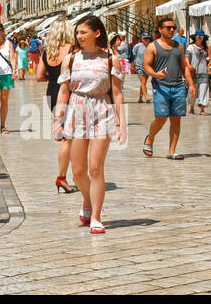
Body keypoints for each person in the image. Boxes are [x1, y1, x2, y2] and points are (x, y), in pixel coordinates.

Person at [53, 15, 126, 233]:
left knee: (95, 167)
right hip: (77, 110)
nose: (79, 36)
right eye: (77, 33)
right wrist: (58, 120)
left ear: (97, 33)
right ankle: (86, 199)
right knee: (77, 171)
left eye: (83, 32)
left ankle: (96, 216)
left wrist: (122, 124)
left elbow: (117, 93)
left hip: (101, 111)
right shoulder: (71, 59)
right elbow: (63, 91)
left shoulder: (110, 59)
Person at [141, 18, 195, 160]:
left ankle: (172, 151)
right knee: (161, 117)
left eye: (173, 27)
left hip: (177, 86)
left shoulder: (179, 46)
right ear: (160, 29)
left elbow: (184, 66)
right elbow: (146, 65)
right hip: (161, 86)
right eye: (168, 27)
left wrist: (191, 84)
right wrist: (155, 74)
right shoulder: (152, 46)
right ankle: (150, 138)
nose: (172, 30)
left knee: (176, 119)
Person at [40, 18, 76, 194]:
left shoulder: (47, 51)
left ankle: (71, 174)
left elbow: (39, 75)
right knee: (68, 138)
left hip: (51, 92)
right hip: (66, 92)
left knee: (67, 135)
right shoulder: (71, 49)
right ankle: (62, 177)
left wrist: (52, 77)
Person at [189, 30, 211, 115]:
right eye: (198, 36)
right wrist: (189, 66)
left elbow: (209, 58)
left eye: (201, 37)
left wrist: (210, 62)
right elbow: (187, 58)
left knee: (204, 90)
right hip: (194, 72)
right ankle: (191, 107)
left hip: (204, 71)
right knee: (193, 91)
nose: (199, 38)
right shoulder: (190, 47)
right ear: (195, 37)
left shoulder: (205, 48)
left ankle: (202, 109)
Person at [131, 32, 152, 103]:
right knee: (143, 81)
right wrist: (132, 66)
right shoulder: (137, 46)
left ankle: (140, 98)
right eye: (145, 38)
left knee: (144, 83)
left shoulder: (151, 46)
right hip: (139, 67)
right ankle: (146, 96)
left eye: (148, 39)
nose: (146, 40)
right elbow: (133, 56)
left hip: (147, 67)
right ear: (142, 39)